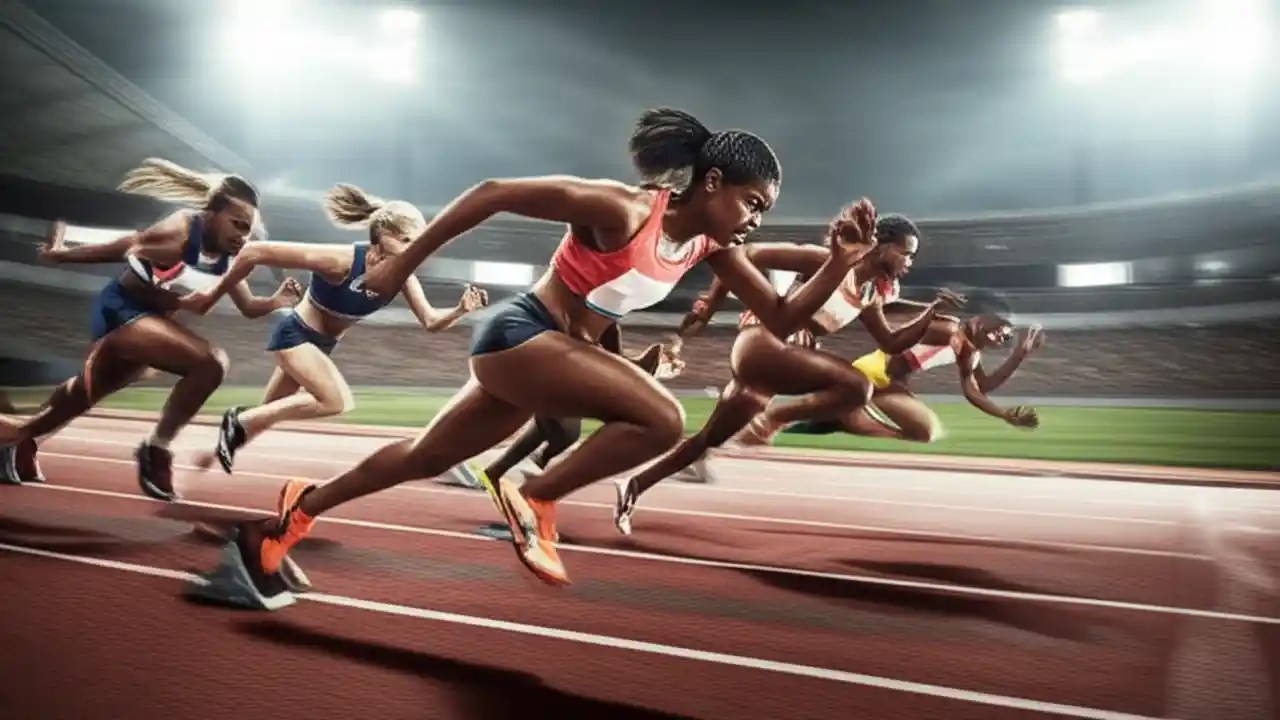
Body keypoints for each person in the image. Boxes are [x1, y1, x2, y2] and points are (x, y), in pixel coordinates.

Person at [220, 107, 880, 596]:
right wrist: (399, 269)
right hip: (522, 334)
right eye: (752, 202)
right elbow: (492, 194)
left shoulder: (715, 249)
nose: (756, 219)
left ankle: (288, 520)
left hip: (545, 356)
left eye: (763, 209)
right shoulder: (623, 210)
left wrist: (839, 263)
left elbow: (784, 313)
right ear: (711, 182)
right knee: (662, 419)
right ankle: (534, 496)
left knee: (425, 457)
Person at [611, 214, 964, 535]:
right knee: (857, 385)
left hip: (778, 366)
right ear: (884, 246)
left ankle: (633, 486)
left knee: (706, 441)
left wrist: (931, 312)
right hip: (762, 343)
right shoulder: (826, 260)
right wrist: (707, 307)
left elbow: (891, 342)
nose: (909, 263)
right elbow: (742, 256)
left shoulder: (870, 294)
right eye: (906, 253)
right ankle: (777, 419)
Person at [0, 158, 300, 497]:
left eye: (247, 228)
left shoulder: (232, 255)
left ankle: (22, 439)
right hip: (123, 310)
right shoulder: (181, 232)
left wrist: (275, 301)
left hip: (153, 322)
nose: (242, 235)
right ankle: (157, 448)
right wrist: (63, 255)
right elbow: (128, 245)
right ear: (212, 214)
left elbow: (247, 306)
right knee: (210, 363)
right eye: (236, 224)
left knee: (89, 392)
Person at [180, 183, 488, 473]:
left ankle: (211, 453)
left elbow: (431, 322)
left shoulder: (403, 277)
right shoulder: (340, 261)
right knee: (336, 401)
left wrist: (461, 310)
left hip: (321, 346)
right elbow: (252, 253)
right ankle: (237, 419)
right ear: (384, 235)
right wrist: (212, 293)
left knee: (268, 412)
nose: (413, 252)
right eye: (406, 241)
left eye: (417, 244)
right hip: (296, 333)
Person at [447, 322, 683, 499]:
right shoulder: (579, 313)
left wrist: (649, 365)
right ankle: (526, 478)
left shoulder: (610, 326)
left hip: (556, 374)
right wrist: (646, 365)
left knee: (551, 430)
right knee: (564, 432)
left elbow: (616, 364)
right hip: (541, 365)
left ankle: (500, 471)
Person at [776, 313, 1044, 443]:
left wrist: (1019, 357)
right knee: (925, 431)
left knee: (926, 433)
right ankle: (839, 417)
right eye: (998, 330)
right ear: (981, 321)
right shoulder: (949, 329)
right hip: (874, 372)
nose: (999, 337)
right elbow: (901, 337)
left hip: (890, 383)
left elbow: (978, 389)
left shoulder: (969, 354)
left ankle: (840, 420)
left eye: (1005, 338)